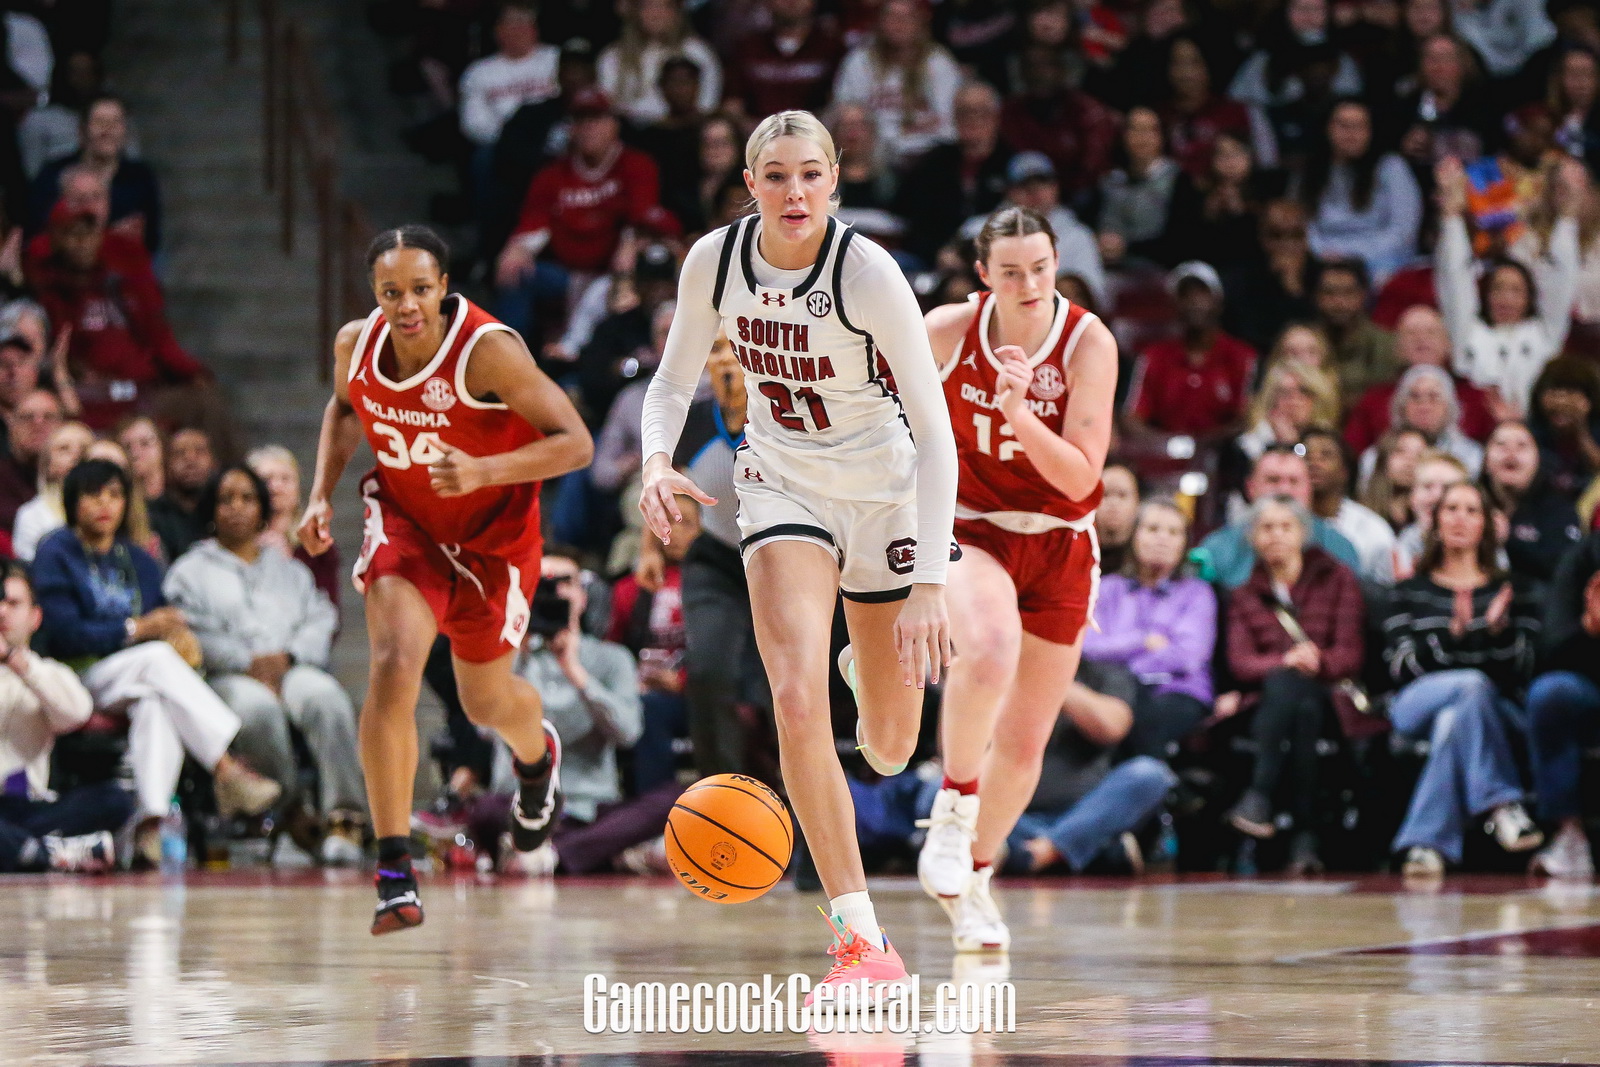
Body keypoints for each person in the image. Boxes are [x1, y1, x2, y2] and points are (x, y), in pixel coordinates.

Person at [639, 111, 957, 995]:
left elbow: (935, 432)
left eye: (811, 174)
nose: (794, 192)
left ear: (835, 181)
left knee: (891, 747)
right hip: (780, 480)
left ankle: (869, 664)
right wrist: (655, 462)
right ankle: (860, 937)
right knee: (790, 691)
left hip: (884, 490)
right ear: (750, 182)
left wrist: (930, 580)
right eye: (776, 175)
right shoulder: (715, 260)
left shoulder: (866, 271)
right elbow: (671, 382)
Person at [297, 225, 594, 934]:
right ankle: (394, 868)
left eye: (420, 289)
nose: (405, 305)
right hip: (408, 524)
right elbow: (344, 408)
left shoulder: (488, 351)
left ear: (444, 288)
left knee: (485, 701)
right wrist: (318, 493)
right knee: (394, 665)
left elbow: (576, 443)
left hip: (495, 540)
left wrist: (484, 469)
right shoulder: (354, 345)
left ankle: (536, 754)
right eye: (390, 291)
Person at [915, 204, 1116, 950]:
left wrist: (1019, 412)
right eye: (1010, 271)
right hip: (972, 527)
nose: (1028, 283)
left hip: (1060, 539)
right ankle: (951, 804)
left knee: (1028, 737)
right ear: (982, 276)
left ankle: (975, 876)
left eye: (1040, 267)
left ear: (1057, 261)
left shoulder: (1089, 343)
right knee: (990, 646)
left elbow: (1080, 480)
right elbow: (861, 367)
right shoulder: (949, 330)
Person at [32, 459, 282, 868]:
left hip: (136, 677)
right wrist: (136, 628)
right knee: (156, 659)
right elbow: (63, 632)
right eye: (94, 494)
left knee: (156, 702)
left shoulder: (138, 559)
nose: (105, 504)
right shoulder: (56, 552)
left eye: (115, 494)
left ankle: (149, 824)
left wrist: (173, 630)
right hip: (76, 676)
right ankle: (225, 766)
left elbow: (160, 618)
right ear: (73, 501)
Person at [162, 464, 366, 866]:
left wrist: (289, 657)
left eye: (247, 498)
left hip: (291, 666)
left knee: (327, 698)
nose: (237, 508)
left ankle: (346, 818)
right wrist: (246, 661)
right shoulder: (189, 571)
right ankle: (290, 811)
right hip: (227, 675)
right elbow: (189, 630)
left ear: (262, 509)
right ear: (211, 509)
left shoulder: (288, 569)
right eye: (226, 499)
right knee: (258, 711)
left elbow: (321, 617)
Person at [1382, 481, 1545, 877]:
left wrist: (1497, 635)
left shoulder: (1512, 589)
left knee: (1454, 721)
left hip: (1496, 711)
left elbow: (1524, 668)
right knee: (1469, 684)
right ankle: (1500, 803)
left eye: (1472, 510)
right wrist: (1451, 637)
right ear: (1435, 522)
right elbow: (1399, 667)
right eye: (1451, 508)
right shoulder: (1409, 591)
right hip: (1414, 703)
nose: (1460, 518)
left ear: (1487, 525)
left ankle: (1425, 844)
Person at [1220, 494, 1366, 874]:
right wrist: (1286, 660)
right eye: (1266, 528)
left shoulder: (1336, 577)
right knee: (1295, 700)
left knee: (1299, 695)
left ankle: (1260, 795)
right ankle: (1305, 838)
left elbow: (1350, 653)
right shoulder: (1244, 594)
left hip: (1331, 694)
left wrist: (1318, 660)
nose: (1276, 536)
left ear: (1303, 533)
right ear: (1252, 537)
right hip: (1275, 701)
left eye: (1286, 527)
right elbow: (1240, 662)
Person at [0, 561, 132, 873]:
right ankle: (53, 853)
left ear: (36, 617)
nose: (2, 612)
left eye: (13, 603)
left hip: (29, 806)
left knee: (115, 800)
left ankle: (27, 850)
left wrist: (13, 660)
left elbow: (76, 713)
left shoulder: (47, 672)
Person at [1437, 155, 1583, 418]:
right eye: (1498, 289)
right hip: (1479, 431)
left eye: (1516, 291)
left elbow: (1563, 275)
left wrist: (1568, 216)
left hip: (1537, 429)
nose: (1505, 299)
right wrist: (1452, 215)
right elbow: (1454, 277)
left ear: (1530, 299)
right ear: (1484, 297)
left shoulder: (1545, 334)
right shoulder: (1469, 333)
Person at [1083, 498, 1216, 760]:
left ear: (1184, 543)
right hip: (1109, 690)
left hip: (1178, 690)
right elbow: (1087, 647)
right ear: (1134, 536)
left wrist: (1125, 668)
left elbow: (1188, 656)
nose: (1162, 539)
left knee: (1140, 722)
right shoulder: (1107, 588)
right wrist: (1142, 641)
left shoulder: (1197, 593)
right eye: (1153, 529)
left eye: (1173, 532)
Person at [1526, 528, 1600, 877]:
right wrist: (1588, 628)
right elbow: (1549, 651)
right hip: (1589, 689)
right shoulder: (1581, 560)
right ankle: (1569, 835)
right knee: (1549, 694)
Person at [1192, 444, 1361, 589]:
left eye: (1293, 481)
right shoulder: (1217, 548)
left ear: (1309, 489)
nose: (1284, 491)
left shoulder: (1339, 547)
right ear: (1251, 488)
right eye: (1273, 480)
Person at [1124, 261, 1258, 441]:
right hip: (1162, 455)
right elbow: (1132, 419)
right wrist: (1169, 444)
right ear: (1175, 305)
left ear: (1218, 303)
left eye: (1202, 294)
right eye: (1185, 295)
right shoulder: (1154, 357)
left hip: (1223, 456)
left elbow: (1247, 418)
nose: (1194, 302)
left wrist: (1202, 445)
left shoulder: (1241, 357)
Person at [1299, 100, 1423, 286]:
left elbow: (1402, 233)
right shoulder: (1310, 170)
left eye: (1360, 126)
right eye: (1343, 125)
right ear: (1327, 128)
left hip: (1381, 261)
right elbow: (1301, 224)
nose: (1351, 134)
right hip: (1323, 258)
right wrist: (1321, 252)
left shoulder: (1391, 166)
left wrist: (1349, 255)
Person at [1344, 305, 1495, 456]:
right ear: (1397, 348)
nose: (1421, 339)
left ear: (1448, 344)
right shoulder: (1373, 400)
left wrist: (1505, 422)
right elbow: (1352, 454)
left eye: (1431, 332)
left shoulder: (1477, 398)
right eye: (1411, 333)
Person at [830, 0, 961, 167]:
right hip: (875, 159)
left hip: (931, 157)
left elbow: (949, 125)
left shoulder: (939, 63)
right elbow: (845, 116)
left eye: (907, 17)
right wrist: (895, 139)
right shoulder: (859, 62)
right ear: (879, 21)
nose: (899, 24)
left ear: (920, 22)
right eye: (892, 16)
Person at [29, 95, 162, 253]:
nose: (108, 131)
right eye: (100, 122)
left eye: (115, 123)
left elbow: (150, 237)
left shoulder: (140, 177)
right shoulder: (54, 173)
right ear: (82, 130)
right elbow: (37, 230)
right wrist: (110, 235)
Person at [1480, 420, 1582, 584]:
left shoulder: (1559, 510)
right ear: (1485, 461)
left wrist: (1508, 539)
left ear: (1538, 460)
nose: (1511, 453)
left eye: (1522, 446)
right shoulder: (1470, 504)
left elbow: (1564, 569)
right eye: (1501, 445)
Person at [246, 444, 341, 610]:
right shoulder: (233, 541)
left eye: (285, 479)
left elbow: (329, 611)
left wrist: (287, 565)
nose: (276, 487)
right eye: (266, 480)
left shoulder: (317, 545)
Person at [597, 0, 721, 126]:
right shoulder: (612, 57)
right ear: (634, 11)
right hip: (630, 134)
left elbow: (707, 106)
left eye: (664, 6)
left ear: (677, 11)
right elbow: (607, 105)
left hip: (686, 132)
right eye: (648, 6)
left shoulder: (698, 53)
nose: (655, 14)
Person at [457, 2, 559, 149]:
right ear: (498, 31)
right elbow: (473, 123)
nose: (520, 30)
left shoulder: (557, 58)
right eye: (513, 24)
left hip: (557, 142)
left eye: (526, 23)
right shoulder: (478, 72)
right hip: (503, 145)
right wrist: (515, 136)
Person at [1304, 427, 1398, 585]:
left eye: (1326, 455)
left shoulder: (1372, 530)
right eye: (1305, 455)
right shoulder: (1280, 521)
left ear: (1344, 471)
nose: (1313, 462)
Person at [1310, 258, 1401, 410]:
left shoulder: (1385, 344)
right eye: (1329, 293)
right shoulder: (1306, 341)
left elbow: (1382, 400)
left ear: (1363, 296)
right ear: (1316, 297)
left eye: (1348, 292)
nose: (1339, 302)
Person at [12, 419, 93, 561]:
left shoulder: (114, 509)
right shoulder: (31, 515)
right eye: (64, 448)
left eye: (84, 449)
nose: (75, 455)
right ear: (47, 464)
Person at [148, 427, 215, 561]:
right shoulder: (151, 516)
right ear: (166, 464)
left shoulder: (221, 513)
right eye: (179, 453)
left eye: (199, 451)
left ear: (213, 461)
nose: (190, 460)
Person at [1095, 464, 1139, 576]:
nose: (1113, 504)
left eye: (1122, 495)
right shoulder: (1078, 548)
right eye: (1105, 494)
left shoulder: (1144, 558)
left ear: (1137, 502)